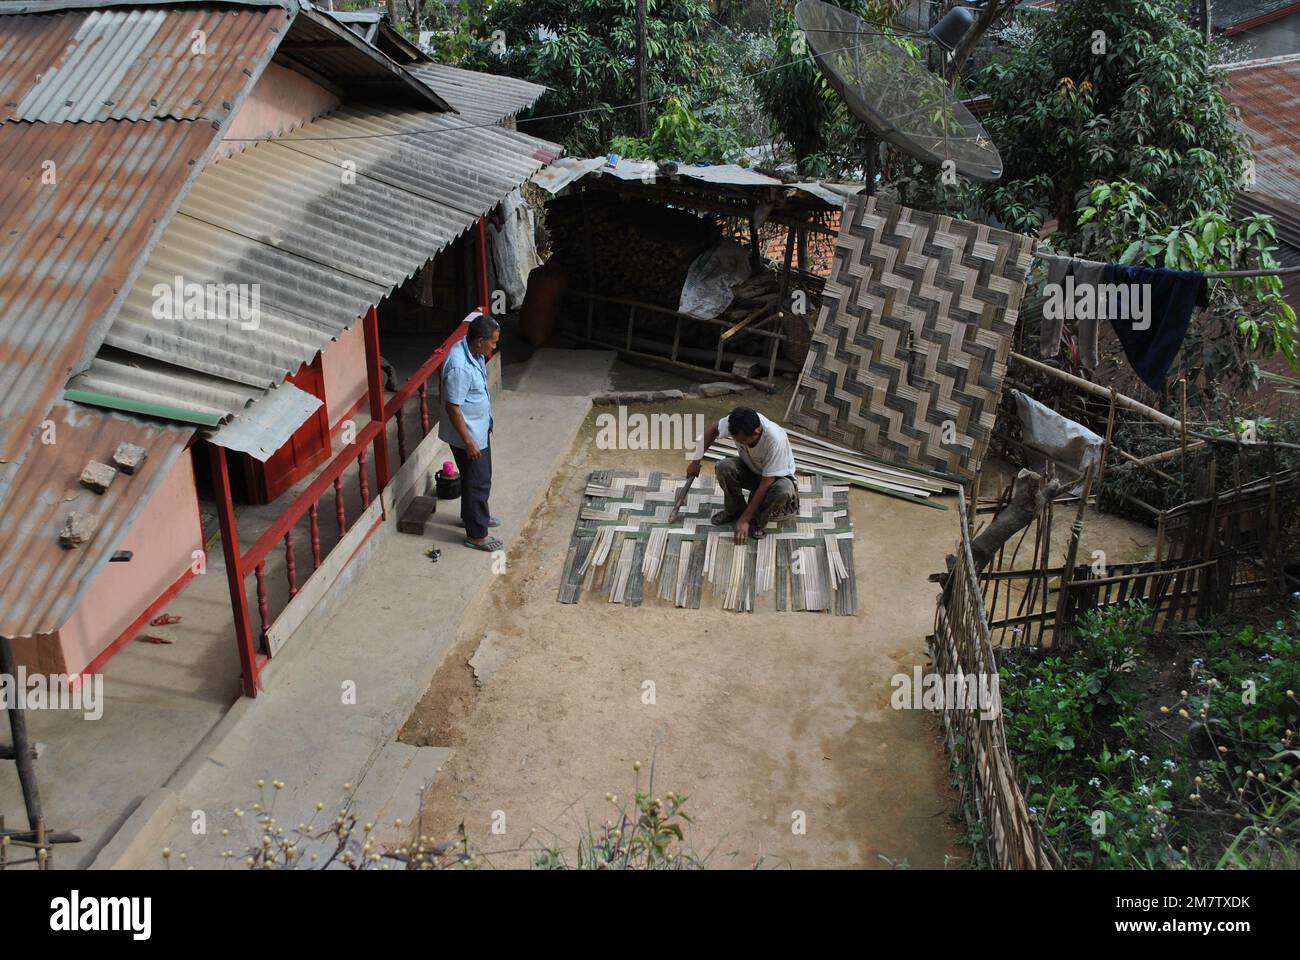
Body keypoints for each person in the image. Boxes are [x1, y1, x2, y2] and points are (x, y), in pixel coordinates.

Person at [686, 406, 798, 545]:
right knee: (723, 467)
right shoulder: (737, 421)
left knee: (783, 490)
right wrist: (695, 462)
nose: (740, 443)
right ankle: (734, 510)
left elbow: (765, 484)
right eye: (737, 440)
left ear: (757, 432)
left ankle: (756, 521)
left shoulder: (775, 440)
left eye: (744, 441)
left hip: (776, 479)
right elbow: (713, 430)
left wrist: (745, 520)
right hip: (752, 470)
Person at [440, 313, 502, 551]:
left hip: (477, 428)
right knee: (479, 482)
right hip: (469, 435)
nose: (494, 346)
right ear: (479, 341)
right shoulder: (459, 366)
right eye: (493, 342)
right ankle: (477, 534)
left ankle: (475, 517)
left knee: (473, 478)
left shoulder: (472, 351)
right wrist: (469, 442)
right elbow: (453, 407)